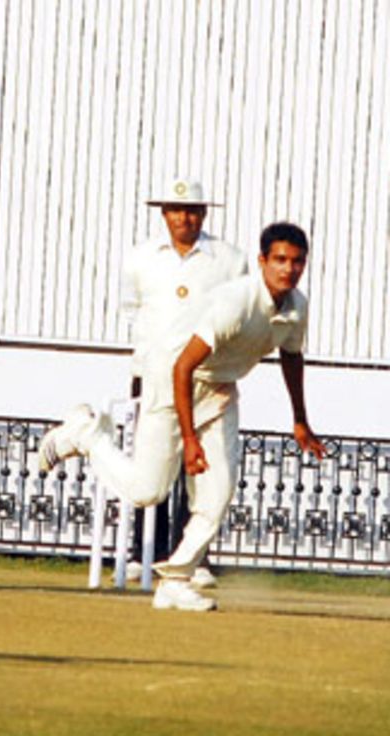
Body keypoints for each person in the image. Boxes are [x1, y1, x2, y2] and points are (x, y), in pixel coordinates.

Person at [40, 222, 325, 612]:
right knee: (148, 491)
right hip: (172, 378)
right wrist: (190, 440)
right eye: (279, 260)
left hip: (221, 389)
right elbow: (182, 367)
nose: (288, 270)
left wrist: (300, 419)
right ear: (262, 261)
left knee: (220, 491)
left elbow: (291, 357)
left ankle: (175, 579)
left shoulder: (297, 307)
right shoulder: (236, 302)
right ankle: (86, 434)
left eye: (297, 262)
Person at [120, 178, 248, 588]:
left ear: (204, 213)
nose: (184, 218)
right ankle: (145, 551)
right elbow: (133, 313)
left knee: (205, 466)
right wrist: (143, 365)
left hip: (207, 379)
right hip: (155, 375)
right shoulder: (142, 258)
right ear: (164, 214)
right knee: (154, 464)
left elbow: (238, 317)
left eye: (192, 210)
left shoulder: (229, 260)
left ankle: (192, 555)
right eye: (176, 210)